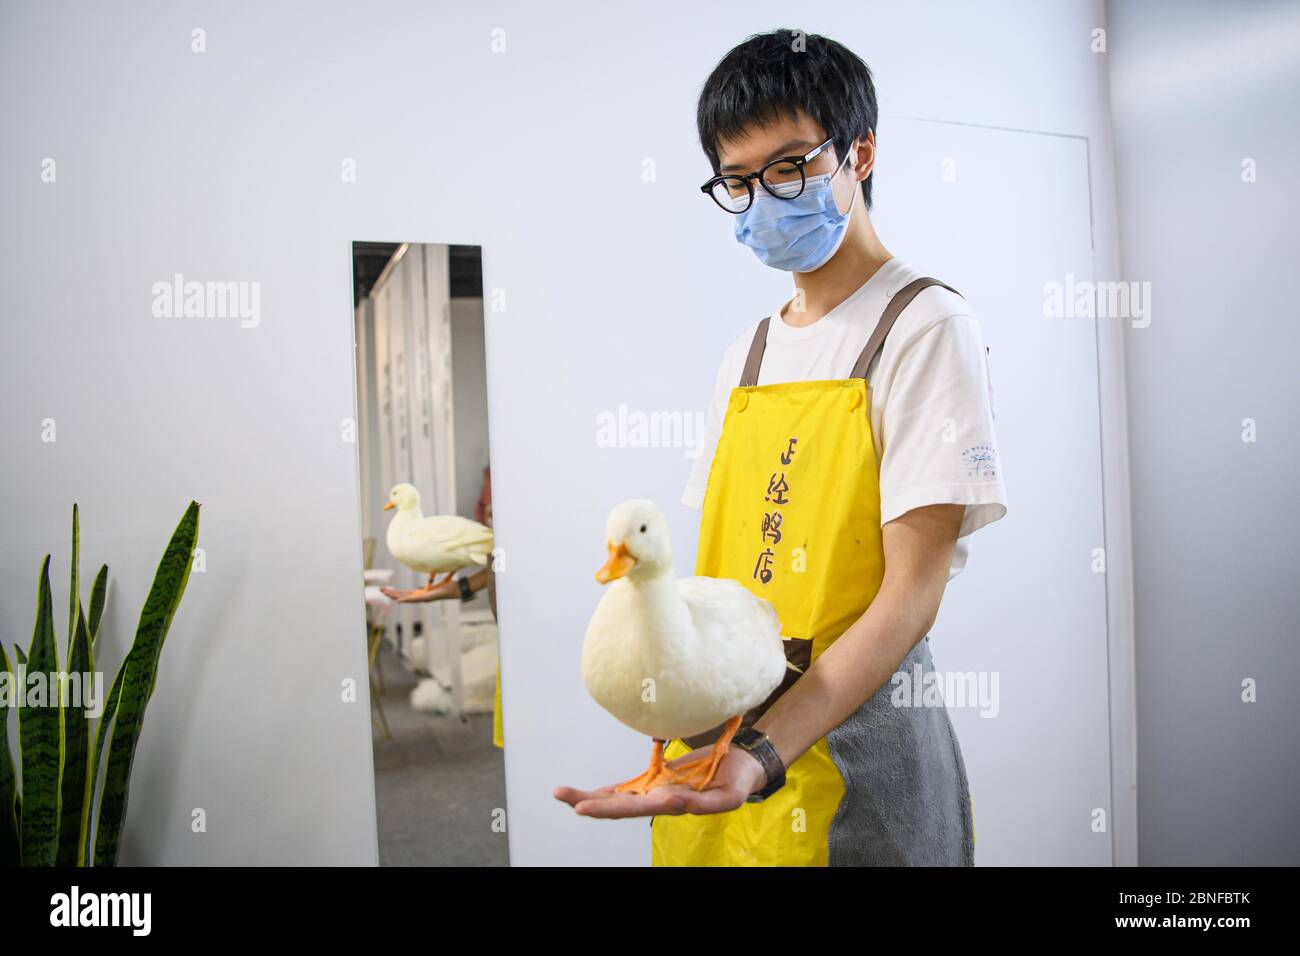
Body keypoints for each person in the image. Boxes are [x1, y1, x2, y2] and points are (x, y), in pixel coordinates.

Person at [555, 30, 1007, 866]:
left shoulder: (924, 327)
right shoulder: (750, 355)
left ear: (859, 152)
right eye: (737, 180)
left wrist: (765, 753)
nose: (763, 197)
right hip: (727, 742)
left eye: (789, 167)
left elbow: (911, 597)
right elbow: (726, 578)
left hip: (855, 750)